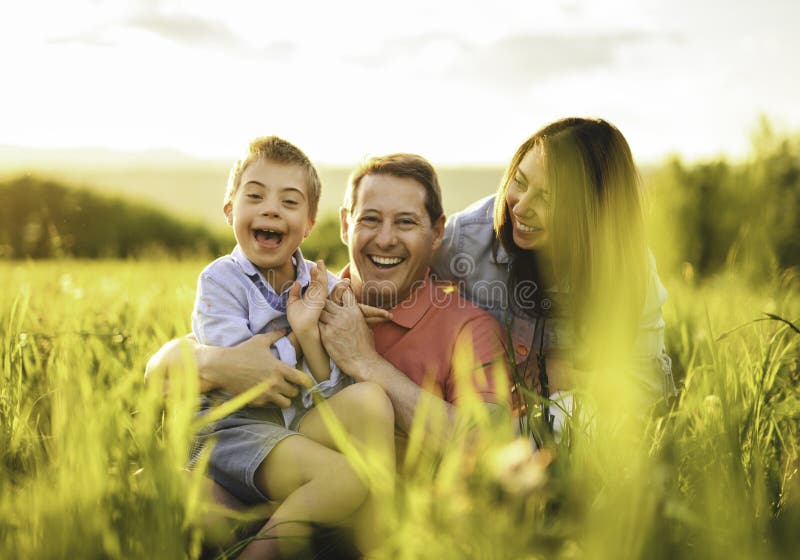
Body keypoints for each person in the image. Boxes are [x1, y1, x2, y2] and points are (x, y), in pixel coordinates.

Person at [146, 152, 510, 553]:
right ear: (344, 225)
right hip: (278, 464)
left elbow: (486, 448)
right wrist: (211, 361)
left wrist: (366, 362)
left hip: (370, 519)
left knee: (366, 406)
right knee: (162, 493)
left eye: (406, 222)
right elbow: (168, 370)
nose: (385, 239)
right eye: (370, 219)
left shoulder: (467, 327)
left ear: (437, 231)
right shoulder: (311, 291)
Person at [186, 135, 395, 559]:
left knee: (371, 398)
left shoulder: (321, 285)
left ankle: (380, 538)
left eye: (289, 201)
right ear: (230, 210)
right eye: (256, 196)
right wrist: (302, 333)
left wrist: (325, 332)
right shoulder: (220, 281)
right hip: (232, 430)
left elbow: (333, 388)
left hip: (288, 423)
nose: (271, 209)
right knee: (347, 478)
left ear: (308, 223)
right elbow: (255, 378)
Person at [430, 117, 677, 437]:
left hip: (562, 428)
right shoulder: (468, 238)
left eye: (547, 198)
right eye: (520, 182)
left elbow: (648, 391)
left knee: (573, 415)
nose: (521, 208)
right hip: (472, 416)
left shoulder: (630, 271)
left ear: (593, 212)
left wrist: (570, 378)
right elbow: (395, 273)